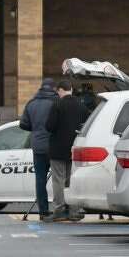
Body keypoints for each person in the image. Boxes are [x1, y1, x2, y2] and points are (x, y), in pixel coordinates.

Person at [46, 79, 89, 221]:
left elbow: (49, 126)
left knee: (58, 180)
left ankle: (59, 209)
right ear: (71, 89)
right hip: (75, 148)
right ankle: (74, 211)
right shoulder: (81, 106)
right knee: (71, 180)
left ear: (60, 90)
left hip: (58, 148)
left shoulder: (57, 104)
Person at [20, 77, 59, 220]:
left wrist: (36, 128)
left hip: (38, 147)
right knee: (59, 179)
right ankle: (59, 208)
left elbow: (23, 124)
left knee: (40, 179)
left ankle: (43, 211)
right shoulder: (56, 102)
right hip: (55, 146)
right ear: (54, 88)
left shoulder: (31, 103)